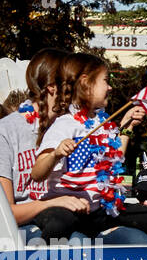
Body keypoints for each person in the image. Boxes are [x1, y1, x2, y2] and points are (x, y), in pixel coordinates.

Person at [31, 53, 147, 245]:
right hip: (67, 208)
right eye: (105, 81)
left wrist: (126, 128)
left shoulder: (102, 123)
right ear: (86, 83)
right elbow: (37, 173)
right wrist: (55, 154)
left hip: (99, 209)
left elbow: (114, 160)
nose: (110, 87)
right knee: (59, 224)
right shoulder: (65, 124)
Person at [0, 48, 92, 241]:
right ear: (52, 87)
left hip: (74, 215)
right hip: (26, 227)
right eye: (71, 84)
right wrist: (53, 203)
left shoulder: (73, 126)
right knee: (77, 242)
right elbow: (7, 214)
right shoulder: (6, 131)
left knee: (135, 238)